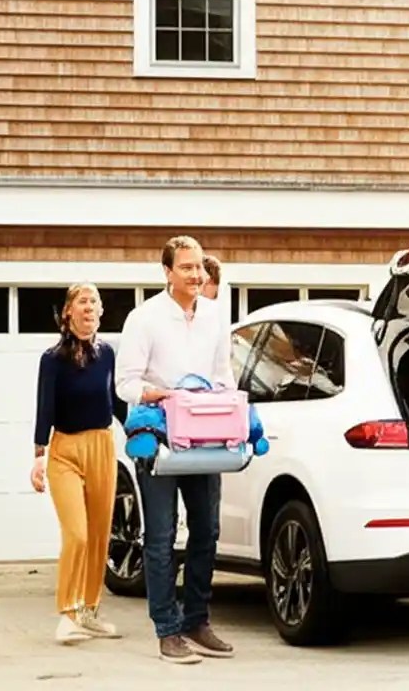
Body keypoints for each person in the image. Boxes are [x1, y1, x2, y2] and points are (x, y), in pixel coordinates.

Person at [116, 235, 236, 665]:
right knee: (162, 536)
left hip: (206, 437)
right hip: (160, 439)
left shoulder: (217, 316)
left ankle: (197, 620)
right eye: (186, 267)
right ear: (167, 272)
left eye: (199, 267)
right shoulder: (144, 318)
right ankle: (167, 630)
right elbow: (124, 383)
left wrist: (223, 400)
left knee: (207, 531)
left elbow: (224, 373)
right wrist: (166, 395)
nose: (196, 274)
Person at [31, 283, 122, 645]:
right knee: (78, 534)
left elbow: (117, 403)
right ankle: (67, 613)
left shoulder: (109, 354)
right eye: (82, 301)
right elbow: (44, 409)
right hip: (65, 451)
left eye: (94, 302)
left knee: (100, 535)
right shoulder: (52, 359)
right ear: (68, 312)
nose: (90, 307)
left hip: (102, 446)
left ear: (100, 312)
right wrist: (39, 457)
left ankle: (89, 610)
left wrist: (148, 427)